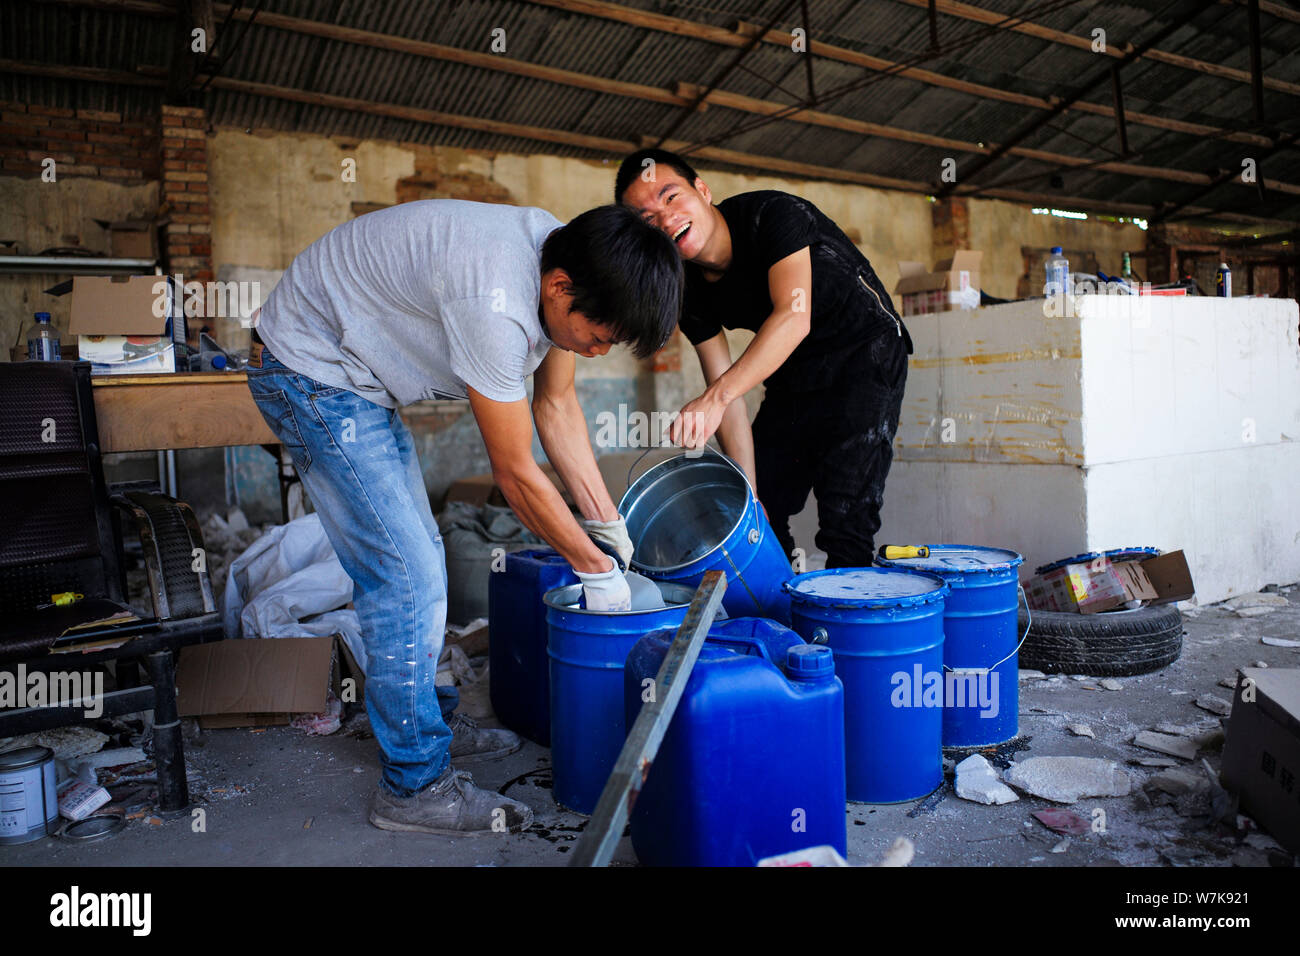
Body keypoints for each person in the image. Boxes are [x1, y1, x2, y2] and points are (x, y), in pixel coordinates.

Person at [246, 200, 681, 836]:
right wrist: (593, 569)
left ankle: (428, 722)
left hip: (359, 375)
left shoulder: (565, 263)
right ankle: (414, 788)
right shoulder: (498, 304)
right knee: (406, 576)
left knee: (421, 557)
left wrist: (606, 523)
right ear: (560, 289)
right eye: (599, 335)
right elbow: (515, 474)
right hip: (312, 368)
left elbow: (556, 408)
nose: (596, 350)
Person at [616, 148, 912, 569]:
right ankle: (779, 615)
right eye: (647, 220)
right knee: (760, 501)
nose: (665, 220)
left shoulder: (773, 215)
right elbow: (727, 397)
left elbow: (794, 317)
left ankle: (843, 628)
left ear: (702, 190)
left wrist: (713, 399)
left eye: (671, 197)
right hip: (795, 371)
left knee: (845, 515)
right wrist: (750, 495)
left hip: (866, 351)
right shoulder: (686, 290)